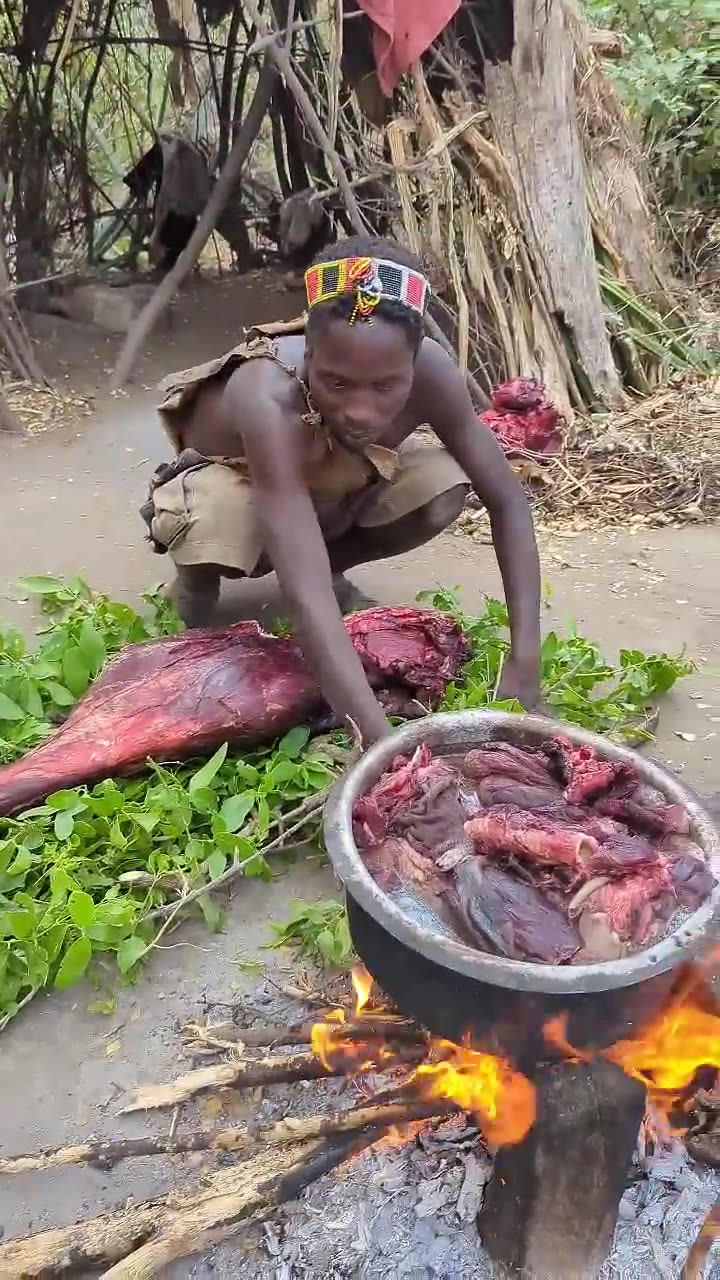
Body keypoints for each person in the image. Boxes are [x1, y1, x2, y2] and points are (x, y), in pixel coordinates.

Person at [142, 235, 542, 745]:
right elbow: (302, 587)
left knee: (441, 483)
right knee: (219, 515)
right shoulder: (266, 393)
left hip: (326, 481)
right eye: (336, 384)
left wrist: (525, 665)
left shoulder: (433, 371)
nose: (360, 411)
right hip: (236, 484)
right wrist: (378, 740)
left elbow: (508, 502)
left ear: (415, 359)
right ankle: (196, 582)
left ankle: (333, 565)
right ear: (308, 349)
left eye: (385, 387)